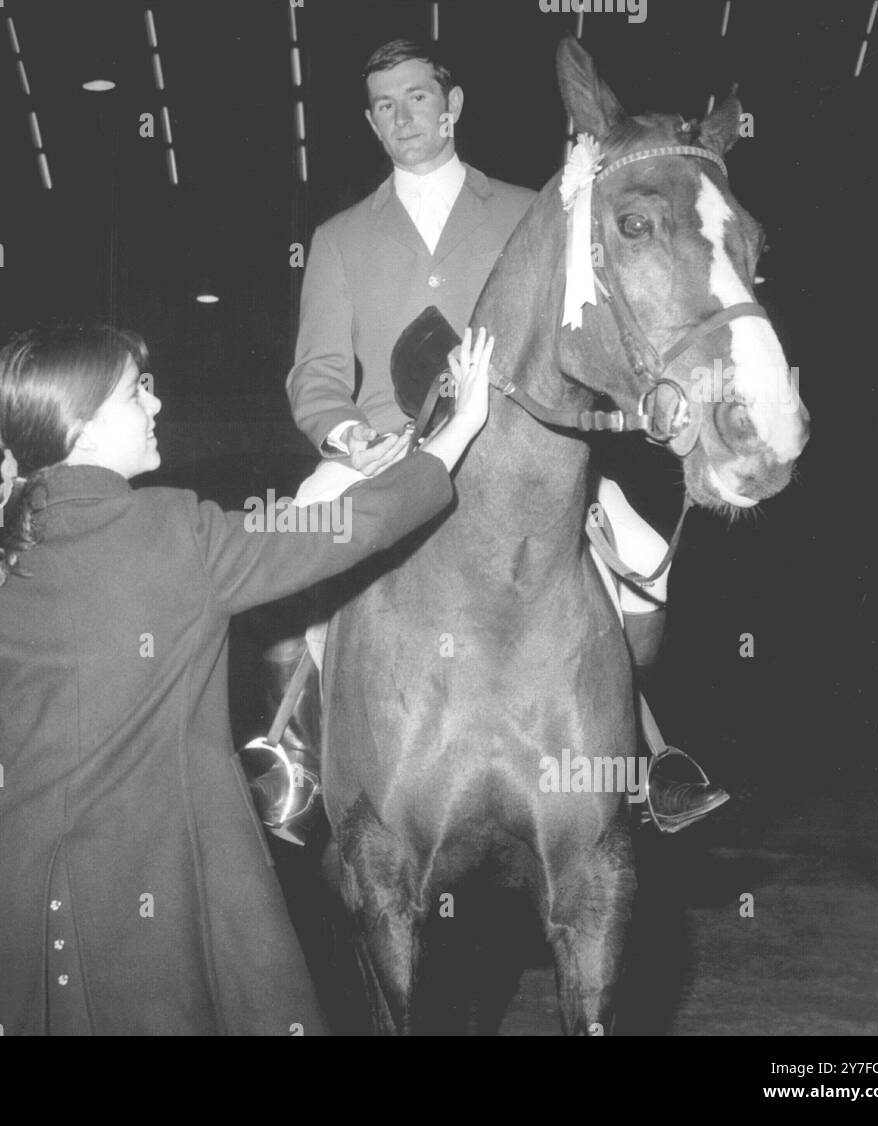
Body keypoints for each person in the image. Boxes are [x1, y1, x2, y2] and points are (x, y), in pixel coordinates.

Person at [0, 319, 495, 1035]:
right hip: (153, 893)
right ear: (80, 424)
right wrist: (457, 432)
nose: (156, 404)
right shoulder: (178, 532)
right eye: (136, 390)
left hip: (10, 898)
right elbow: (353, 528)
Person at [278, 38, 727, 835]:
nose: (400, 116)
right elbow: (314, 377)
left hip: (521, 454)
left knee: (640, 554)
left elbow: (584, 330)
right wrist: (348, 437)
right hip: (387, 450)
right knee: (299, 538)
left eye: (417, 97)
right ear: (371, 124)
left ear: (451, 108)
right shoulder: (339, 237)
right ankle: (296, 758)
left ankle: (645, 755)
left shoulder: (533, 207)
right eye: (384, 105)